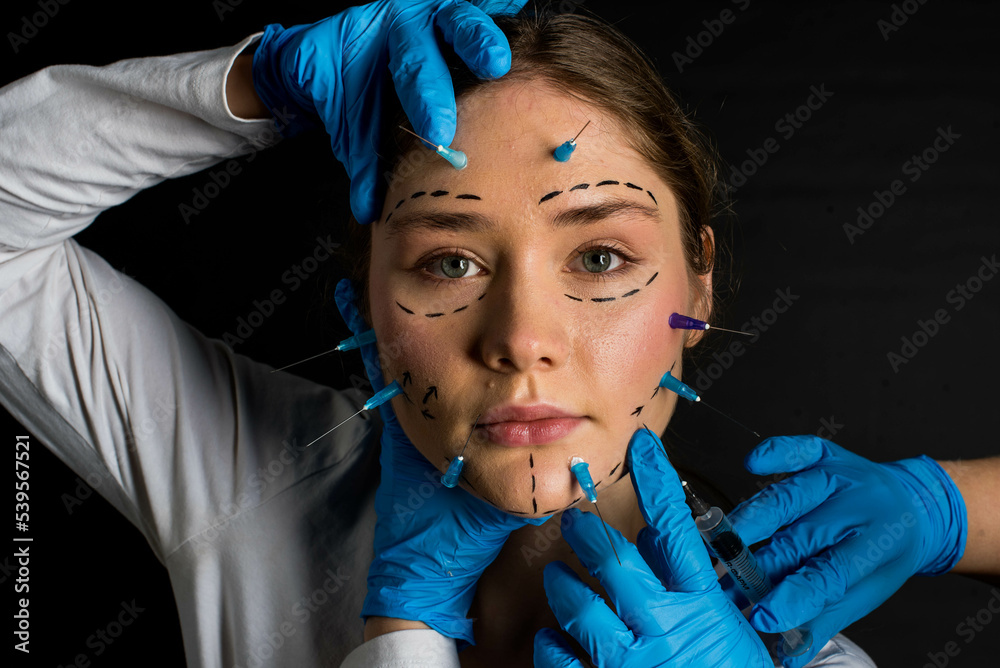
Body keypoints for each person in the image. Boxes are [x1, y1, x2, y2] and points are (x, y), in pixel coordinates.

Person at [0, 1, 994, 667]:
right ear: (363, 314)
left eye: (598, 257)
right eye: (449, 261)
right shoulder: (249, 481)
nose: (522, 337)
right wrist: (260, 77)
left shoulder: (791, 638)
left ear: (697, 281)